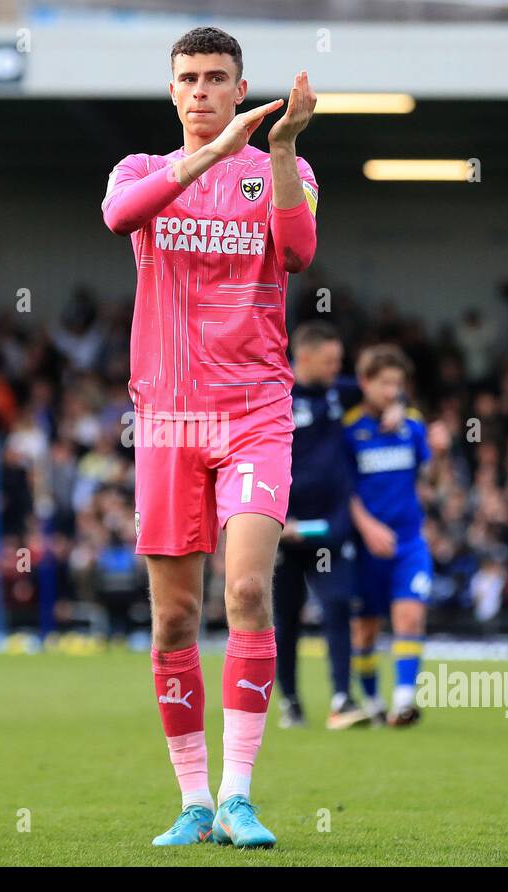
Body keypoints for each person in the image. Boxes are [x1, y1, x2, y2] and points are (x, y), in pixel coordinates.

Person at [102, 26, 317, 848]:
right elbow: (122, 215)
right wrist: (212, 150)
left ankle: (238, 796)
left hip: (255, 412)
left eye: (216, 78)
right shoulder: (140, 173)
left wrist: (279, 148)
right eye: (187, 78)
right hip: (167, 418)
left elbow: (298, 253)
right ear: (172, 91)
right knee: (173, 619)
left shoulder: (281, 175)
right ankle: (192, 801)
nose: (200, 89)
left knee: (249, 592)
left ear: (240, 85)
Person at [345, 344, 449, 726]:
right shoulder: (350, 427)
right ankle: (372, 701)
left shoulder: (413, 424)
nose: (392, 391)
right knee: (366, 627)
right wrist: (367, 527)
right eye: (385, 382)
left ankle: (404, 702)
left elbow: (432, 481)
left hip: (408, 540)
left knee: (409, 616)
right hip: (365, 543)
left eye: (398, 383)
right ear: (365, 382)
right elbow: (343, 488)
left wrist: (439, 454)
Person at [273, 320, 366, 730]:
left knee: (337, 606)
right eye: (329, 361)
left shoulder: (340, 393)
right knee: (285, 619)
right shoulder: (275, 396)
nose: (336, 368)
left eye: (338, 362)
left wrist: (399, 409)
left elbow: (383, 391)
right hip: (283, 530)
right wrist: (272, 516)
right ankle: (290, 700)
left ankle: (342, 698)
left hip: (328, 529)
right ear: (304, 358)